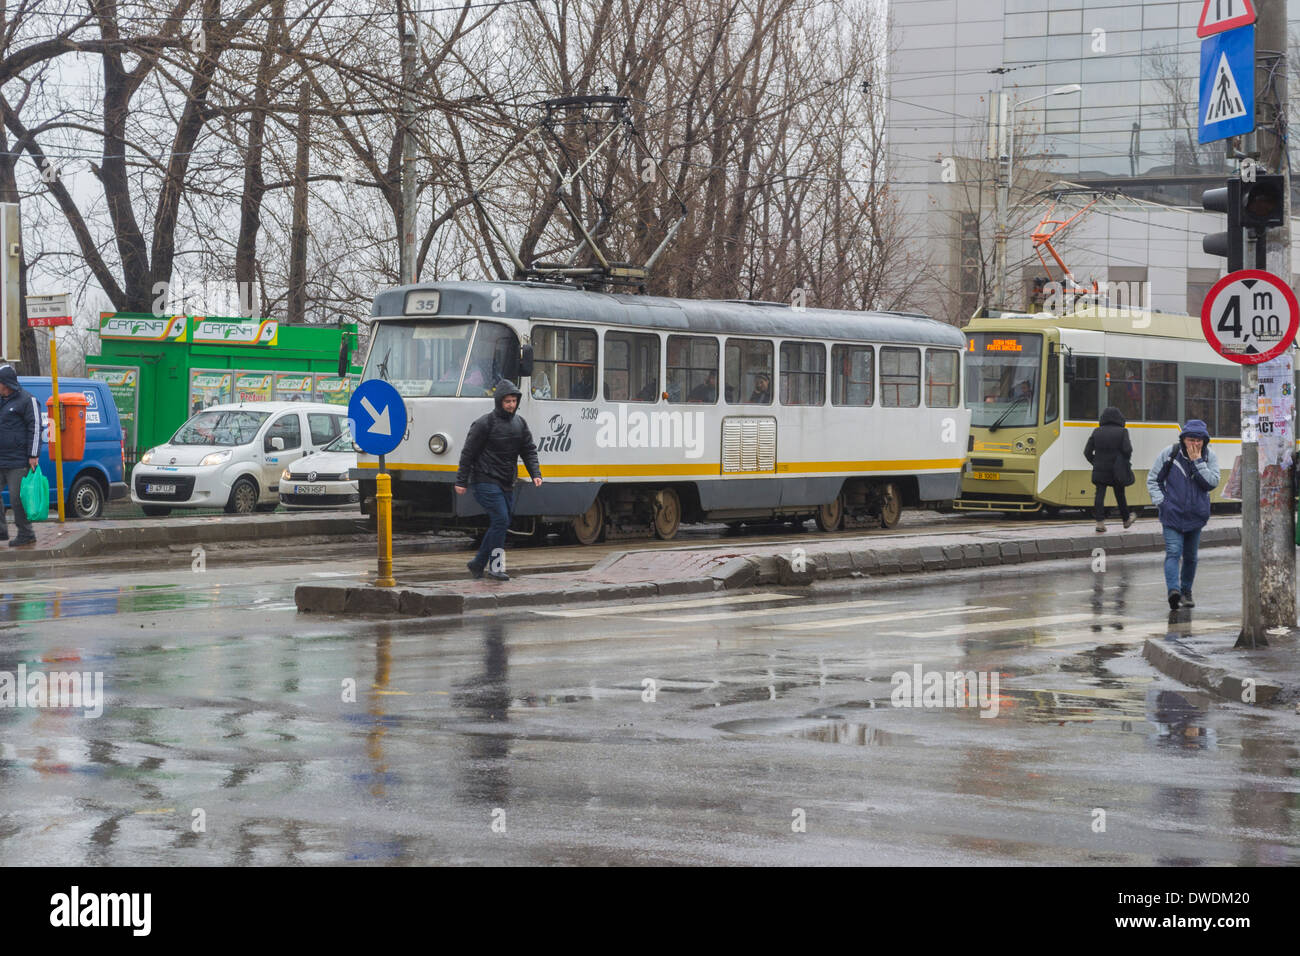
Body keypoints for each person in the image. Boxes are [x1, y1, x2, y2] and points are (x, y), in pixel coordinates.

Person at [455, 380, 543, 582]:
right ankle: (495, 567)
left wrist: (535, 474)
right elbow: (468, 453)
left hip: (506, 481)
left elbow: (529, 450)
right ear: (499, 402)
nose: (511, 405)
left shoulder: (520, 423)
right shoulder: (484, 423)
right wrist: (461, 481)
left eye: (514, 401)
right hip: (484, 479)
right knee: (501, 520)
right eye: (507, 401)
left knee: (501, 523)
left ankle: (478, 563)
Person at [1147, 420, 1220, 610]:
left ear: (1204, 441)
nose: (1194, 444)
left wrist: (1198, 462)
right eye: (1190, 440)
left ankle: (1186, 591)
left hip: (1196, 516)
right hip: (1172, 514)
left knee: (1191, 557)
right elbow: (1153, 480)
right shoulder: (1170, 454)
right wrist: (1162, 503)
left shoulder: (1209, 457)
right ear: (1183, 439)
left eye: (1198, 441)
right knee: (1173, 551)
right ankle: (1174, 591)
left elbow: (1212, 483)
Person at [0, 364, 41, 547]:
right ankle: (1, 531)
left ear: (5, 383)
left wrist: (33, 454)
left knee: (17, 499)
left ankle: (26, 533)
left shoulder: (27, 400)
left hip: (18, 461)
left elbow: (36, 427)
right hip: (1, 458)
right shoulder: (2, 400)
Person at [1083, 406, 1135, 533]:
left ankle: (1100, 523)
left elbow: (1087, 451)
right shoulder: (1122, 431)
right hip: (1117, 469)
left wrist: (1095, 462)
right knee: (1120, 495)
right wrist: (1123, 461)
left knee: (1099, 495)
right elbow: (1128, 450)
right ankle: (1126, 520)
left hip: (1100, 468)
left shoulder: (1097, 431)